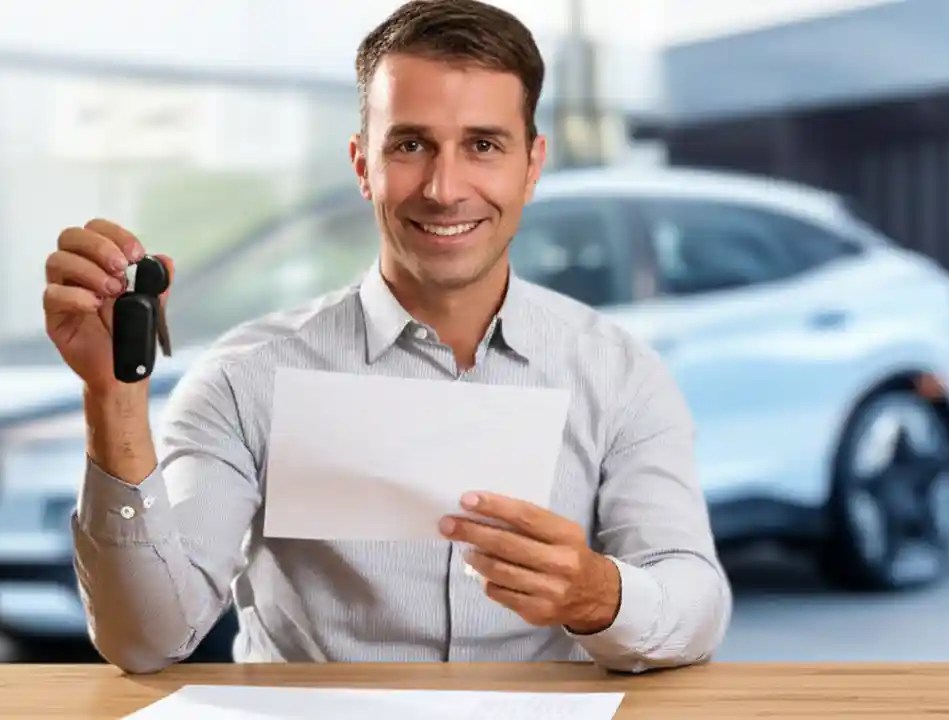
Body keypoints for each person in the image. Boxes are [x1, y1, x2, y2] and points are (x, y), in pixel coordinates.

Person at [42, 0, 731, 675]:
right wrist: (113, 397)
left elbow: (694, 600)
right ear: (361, 164)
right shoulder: (244, 378)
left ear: (532, 165)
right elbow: (146, 640)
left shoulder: (619, 374)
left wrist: (598, 594)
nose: (444, 188)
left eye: (483, 146)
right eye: (410, 145)